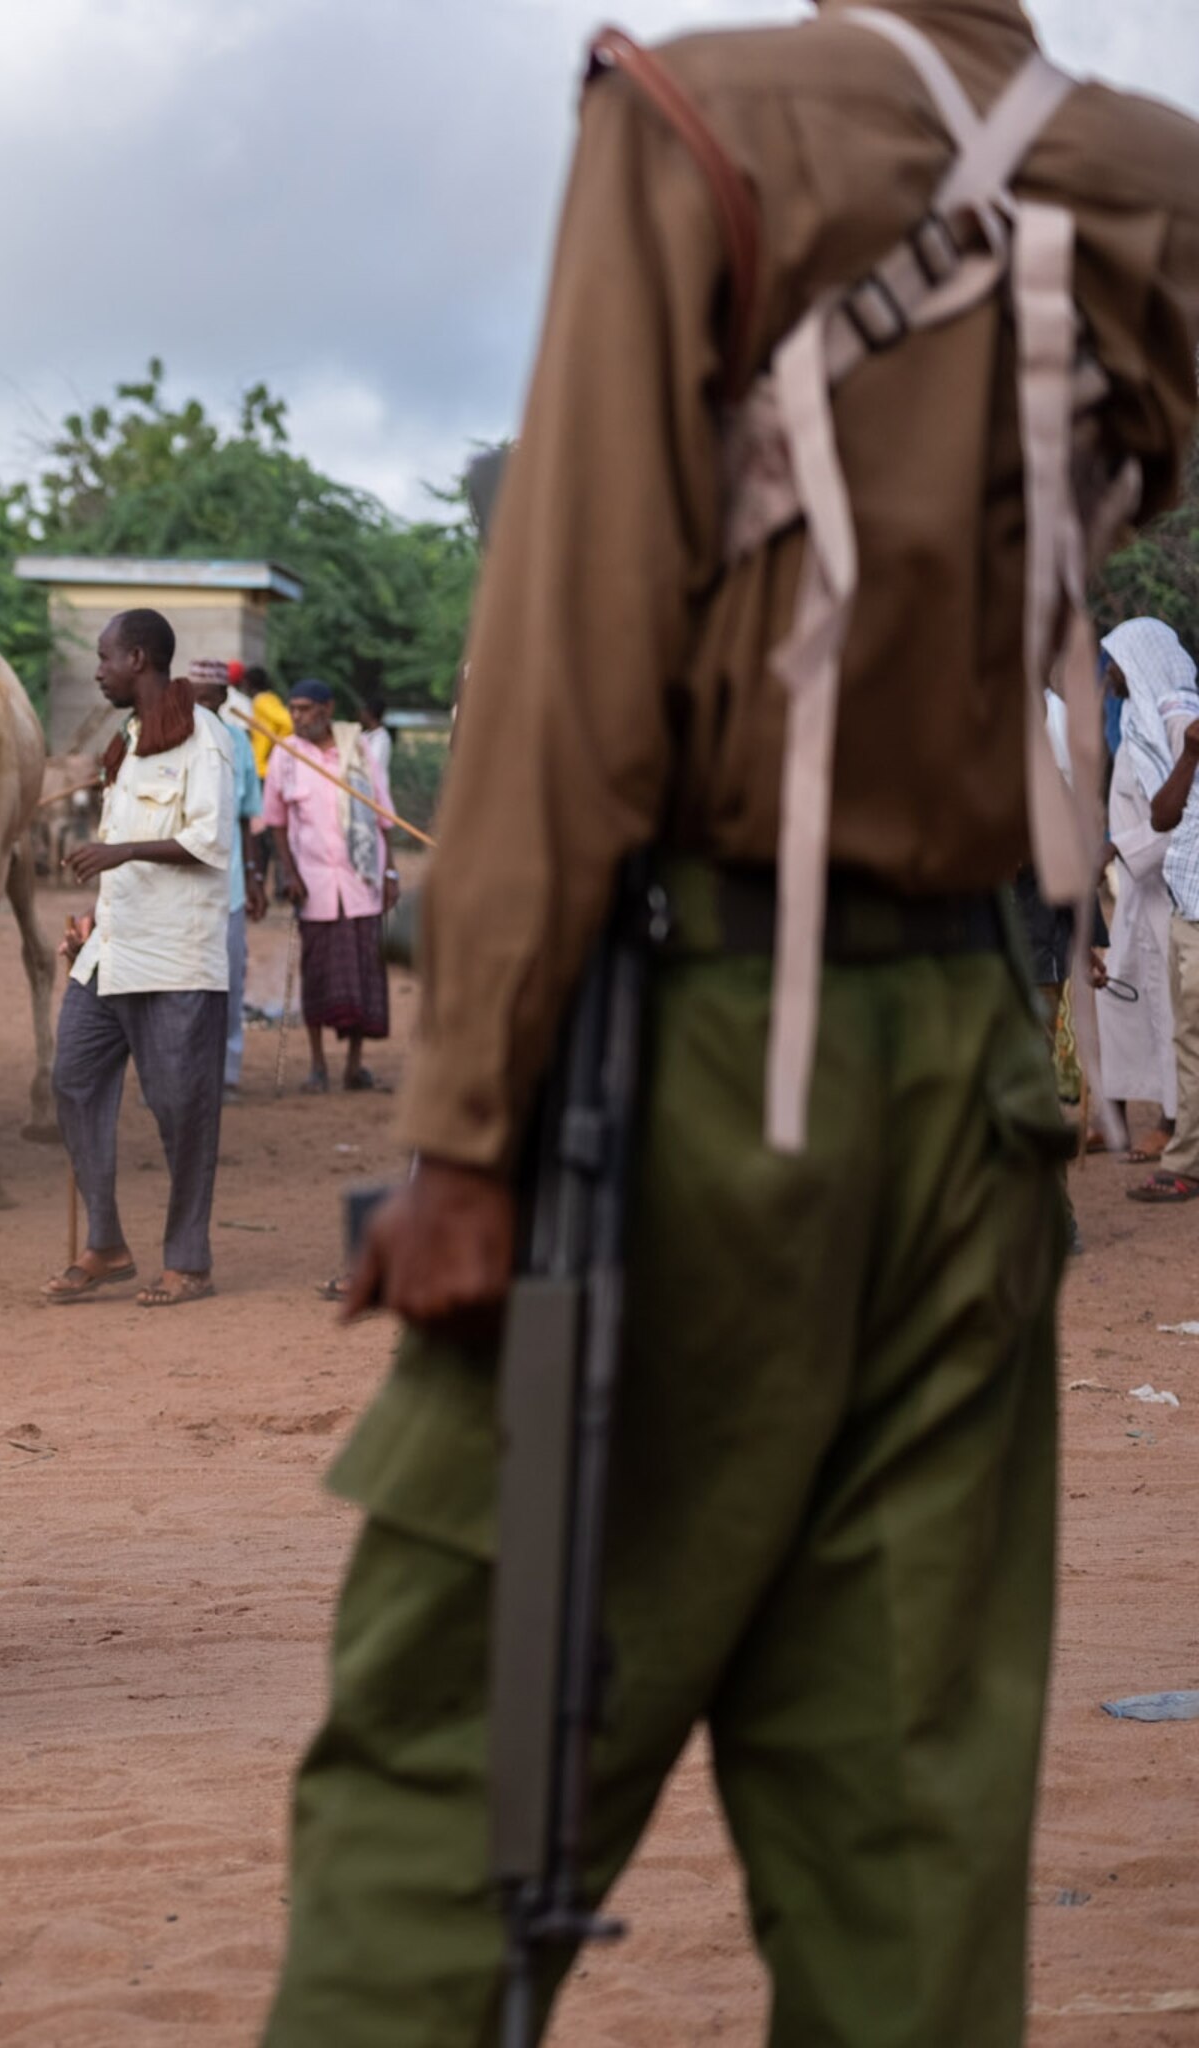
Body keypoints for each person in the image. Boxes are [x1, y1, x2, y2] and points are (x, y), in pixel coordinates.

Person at [265, 6, 1199, 2044]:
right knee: (913, 1850)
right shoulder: (1151, 185)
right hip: (977, 1075)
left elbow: (575, 645)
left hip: (687, 1060)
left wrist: (468, 1130)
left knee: (447, 1785)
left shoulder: (705, 118)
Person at [39, 610, 237, 1311]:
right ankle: (107, 1242)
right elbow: (118, 840)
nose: (97, 669)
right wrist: (94, 915)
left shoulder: (205, 743)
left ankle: (189, 1260)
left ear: (140, 658)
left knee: (182, 1108)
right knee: (73, 1080)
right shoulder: (125, 742)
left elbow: (210, 841)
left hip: (178, 957)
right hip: (112, 952)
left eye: (104, 657)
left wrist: (119, 854)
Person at [261, 677, 401, 1091]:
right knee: (318, 975)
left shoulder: (356, 750)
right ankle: (318, 1066)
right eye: (293, 709)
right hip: (315, 886)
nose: (297, 717)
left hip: (362, 884)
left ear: (326, 709)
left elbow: (383, 816)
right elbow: (277, 825)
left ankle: (354, 1066)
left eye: (304, 709)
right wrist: (288, 873)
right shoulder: (285, 756)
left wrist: (390, 871)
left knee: (364, 975)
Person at [1107, 619, 1199, 1191]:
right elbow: (1166, 815)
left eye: (1115, 658)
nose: (1109, 671)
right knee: (1182, 1033)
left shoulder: (1176, 717)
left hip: (1178, 894)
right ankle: (1183, 1155)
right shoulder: (1145, 719)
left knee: (1186, 1032)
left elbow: (1166, 817)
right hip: (1175, 889)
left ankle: (1180, 1149)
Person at [200, 657, 270, 1090]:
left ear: (223, 698)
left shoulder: (238, 742)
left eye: (207, 698)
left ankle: (226, 1074)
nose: (200, 707)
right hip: (181, 891)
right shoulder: (170, 739)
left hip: (230, 887)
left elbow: (248, 816)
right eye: (193, 698)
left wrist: (256, 875)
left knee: (228, 979)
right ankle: (182, 1074)